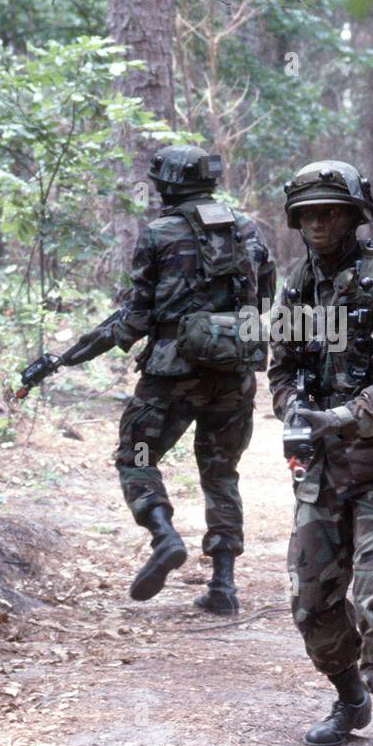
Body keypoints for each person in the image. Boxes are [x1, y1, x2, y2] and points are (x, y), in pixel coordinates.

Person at [269, 160, 373, 746]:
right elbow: (280, 369)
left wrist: (334, 420)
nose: (317, 223)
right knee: (311, 601)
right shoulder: (297, 288)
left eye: (329, 212)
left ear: (354, 216)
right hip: (322, 473)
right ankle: (349, 699)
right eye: (307, 214)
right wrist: (297, 413)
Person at [107, 145, 275, 614]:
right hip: (234, 375)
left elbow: (135, 317)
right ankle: (223, 585)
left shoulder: (159, 233)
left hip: (170, 377)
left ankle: (164, 537)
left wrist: (84, 348)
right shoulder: (247, 229)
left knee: (136, 456)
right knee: (221, 473)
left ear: (166, 184)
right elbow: (265, 296)